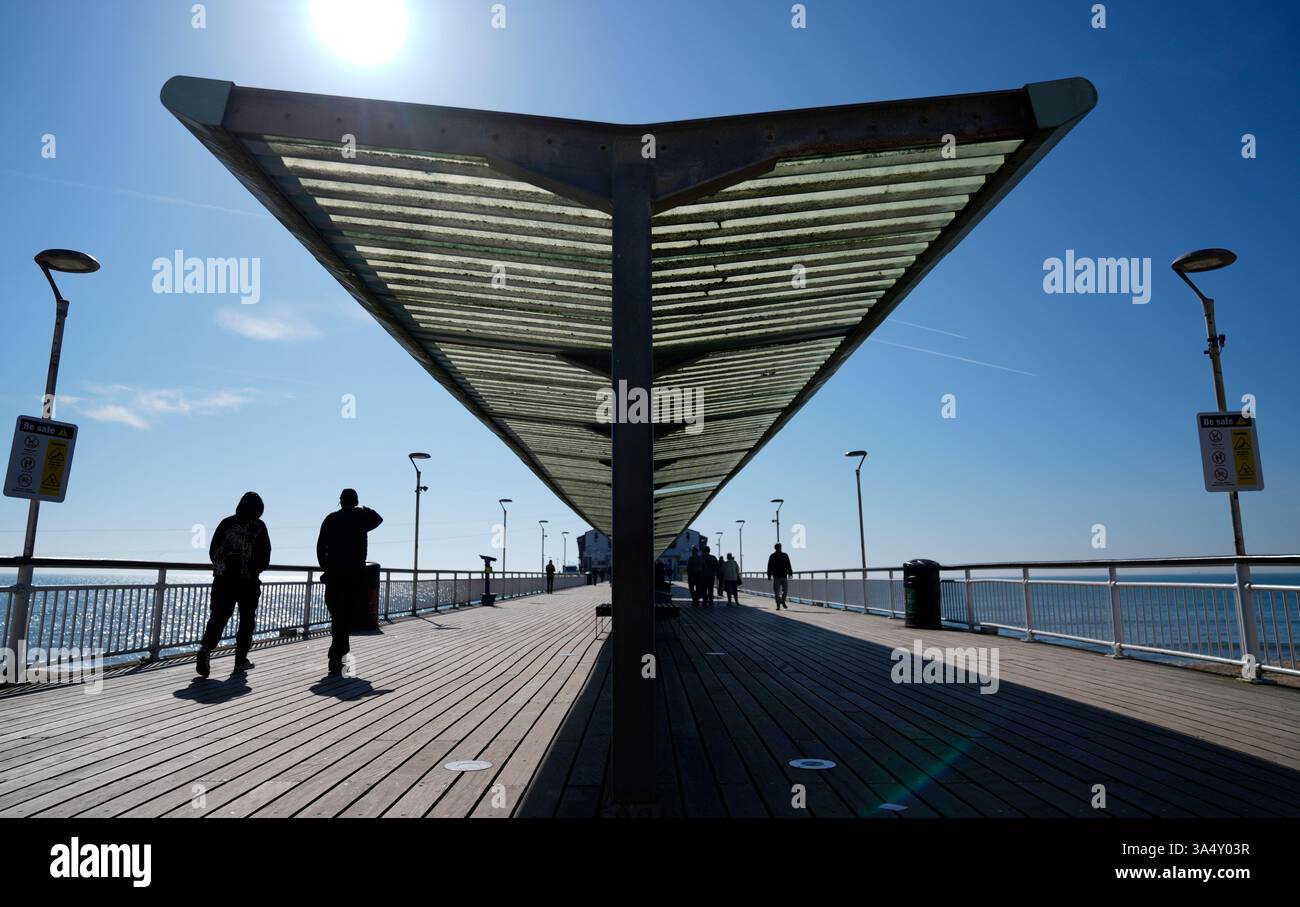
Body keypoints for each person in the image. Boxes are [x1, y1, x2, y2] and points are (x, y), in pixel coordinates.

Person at [197, 492, 271, 677]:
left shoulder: (226, 523)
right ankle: (240, 660)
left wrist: (222, 567)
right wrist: (255, 569)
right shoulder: (259, 526)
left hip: (223, 580)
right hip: (248, 581)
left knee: (219, 617)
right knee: (247, 620)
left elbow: (214, 550)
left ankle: (205, 649)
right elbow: (265, 554)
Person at [316, 489, 383, 676]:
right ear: (355, 501)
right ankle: (337, 656)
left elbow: (320, 546)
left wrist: (326, 568)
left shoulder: (331, 519)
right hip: (354, 576)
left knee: (338, 616)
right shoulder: (360, 518)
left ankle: (336, 656)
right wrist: (362, 508)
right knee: (345, 618)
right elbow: (378, 519)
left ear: (340, 501)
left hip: (334, 575)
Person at [766, 543, 794, 610]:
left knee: (785, 590)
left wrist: (790, 572)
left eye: (780, 547)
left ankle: (782, 601)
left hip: (784, 575)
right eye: (778, 547)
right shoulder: (772, 556)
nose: (779, 548)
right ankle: (778, 605)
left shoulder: (785, 555)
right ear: (775, 548)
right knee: (776, 592)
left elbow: (788, 564)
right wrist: (769, 575)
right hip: (776, 576)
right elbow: (769, 566)